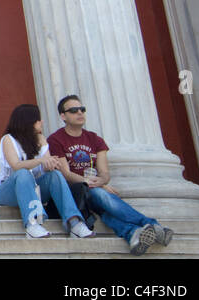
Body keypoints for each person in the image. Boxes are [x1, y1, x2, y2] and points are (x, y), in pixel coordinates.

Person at [47, 94, 174, 256]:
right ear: (63, 116)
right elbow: (66, 174)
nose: (80, 113)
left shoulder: (94, 139)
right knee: (101, 194)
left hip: (91, 191)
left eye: (82, 109)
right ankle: (151, 224)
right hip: (73, 192)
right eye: (73, 110)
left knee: (105, 211)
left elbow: (105, 173)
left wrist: (101, 181)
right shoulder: (56, 139)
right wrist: (92, 184)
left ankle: (133, 234)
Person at [0, 104, 96, 239]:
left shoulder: (40, 139)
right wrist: (40, 161)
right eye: (38, 119)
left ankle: (75, 223)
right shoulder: (8, 139)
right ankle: (32, 224)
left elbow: (47, 165)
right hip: (7, 191)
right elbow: (16, 166)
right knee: (23, 173)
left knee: (55, 175)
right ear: (28, 121)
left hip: (35, 189)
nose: (42, 122)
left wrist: (52, 163)